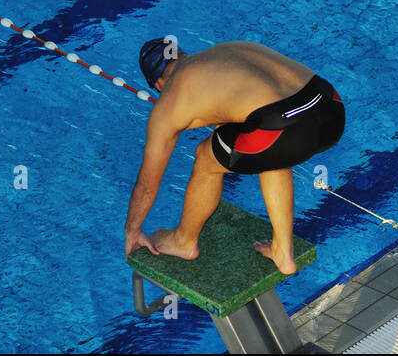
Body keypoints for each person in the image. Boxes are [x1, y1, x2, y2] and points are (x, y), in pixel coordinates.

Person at [124, 39, 344, 276]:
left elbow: (147, 186)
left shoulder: (169, 102)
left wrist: (132, 229)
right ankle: (282, 250)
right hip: (331, 108)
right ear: (183, 54)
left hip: (284, 130)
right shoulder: (227, 51)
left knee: (206, 157)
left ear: (158, 84)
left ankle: (184, 241)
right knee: (265, 145)